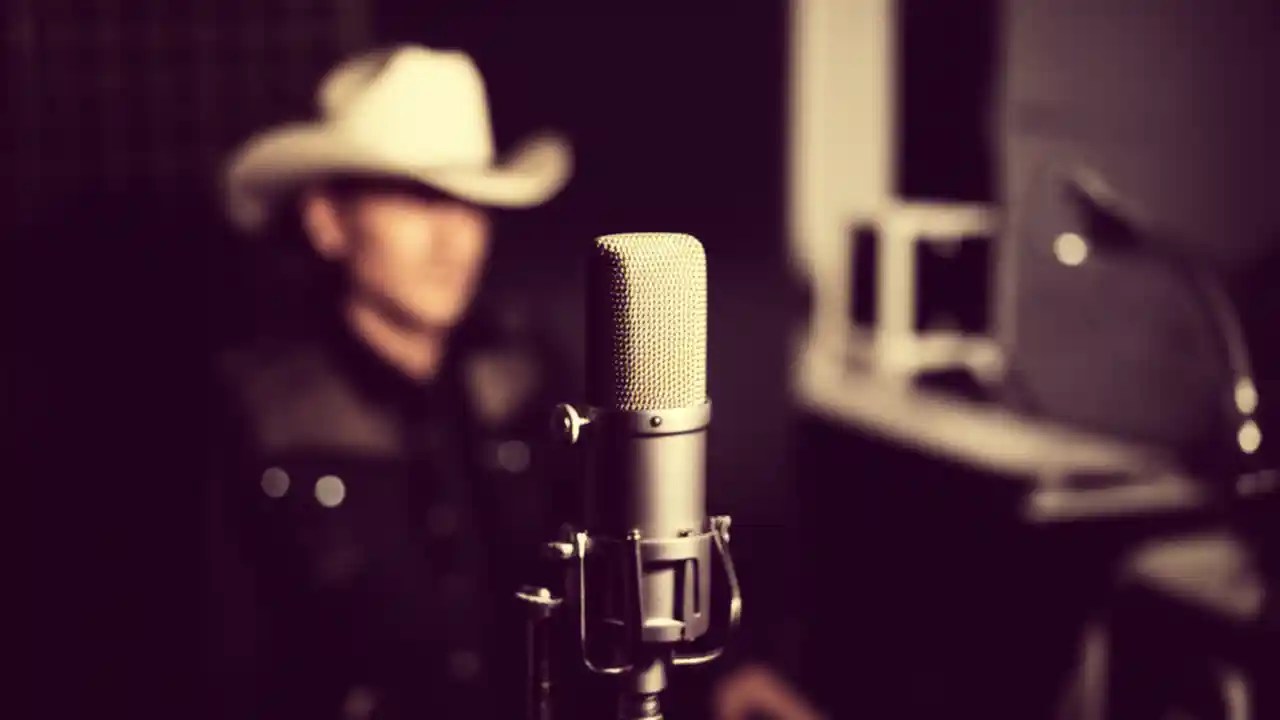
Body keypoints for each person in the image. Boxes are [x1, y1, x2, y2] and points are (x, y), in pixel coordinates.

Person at [204, 44, 821, 720]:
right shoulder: (252, 411)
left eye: (473, 202)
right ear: (327, 220)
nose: (457, 239)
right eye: (421, 199)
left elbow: (621, 528)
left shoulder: (524, 373)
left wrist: (730, 670)